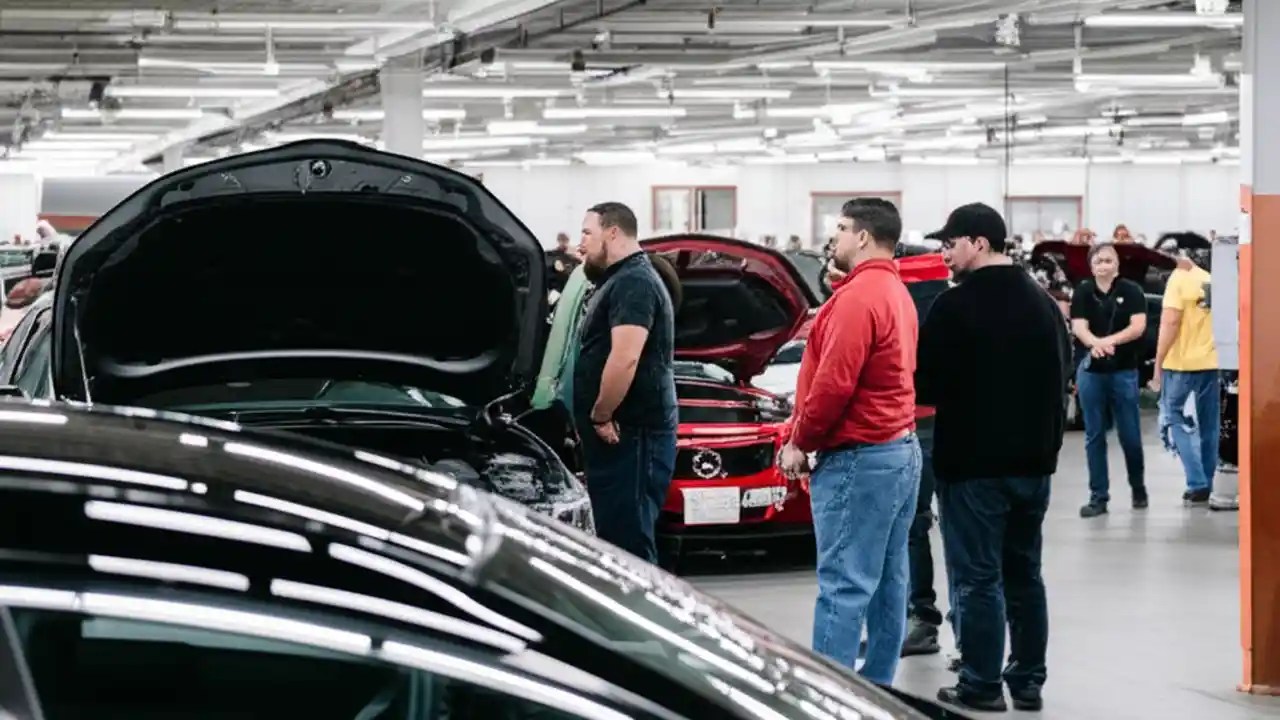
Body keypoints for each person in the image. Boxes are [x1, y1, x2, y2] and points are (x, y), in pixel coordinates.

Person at [918, 203, 1071, 713]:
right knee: (1025, 573)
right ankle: (1027, 680)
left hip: (973, 467)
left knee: (978, 577)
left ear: (979, 243)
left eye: (950, 243)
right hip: (1033, 467)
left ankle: (981, 684)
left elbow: (927, 384)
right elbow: (1060, 384)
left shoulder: (953, 306)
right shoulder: (1045, 305)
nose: (944, 253)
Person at [777, 197, 921, 686]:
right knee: (887, 581)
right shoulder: (896, 292)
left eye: (839, 228)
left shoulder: (858, 298)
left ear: (862, 236)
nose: (832, 238)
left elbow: (834, 385)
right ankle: (876, 691)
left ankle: (831, 698)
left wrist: (800, 440)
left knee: (843, 585)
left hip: (860, 458)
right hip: (899, 451)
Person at [573, 202, 677, 562]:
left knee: (628, 548)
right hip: (623, 440)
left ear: (613, 233)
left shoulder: (633, 281)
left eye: (587, 232)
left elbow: (625, 356)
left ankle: (640, 616)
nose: (580, 243)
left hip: (631, 437)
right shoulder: (618, 280)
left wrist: (601, 414)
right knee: (617, 541)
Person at [1070, 242, 1149, 517]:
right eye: (1099, 260)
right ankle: (1098, 496)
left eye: (1109, 260)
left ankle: (1138, 486)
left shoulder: (1132, 291)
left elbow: (1138, 326)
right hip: (1092, 372)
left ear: (1117, 264)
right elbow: (1078, 326)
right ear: (1091, 265)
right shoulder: (1082, 291)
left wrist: (1108, 341)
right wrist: (1095, 344)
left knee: (1130, 434)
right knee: (1094, 435)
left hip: (1123, 372)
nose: (1104, 265)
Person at [1152, 254, 1219, 505]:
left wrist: (1158, 362)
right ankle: (1208, 482)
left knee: (1174, 418)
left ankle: (1196, 481)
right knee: (1208, 424)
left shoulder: (1178, 280)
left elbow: (1170, 322)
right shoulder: (1210, 279)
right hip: (1211, 362)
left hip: (1180, 364)